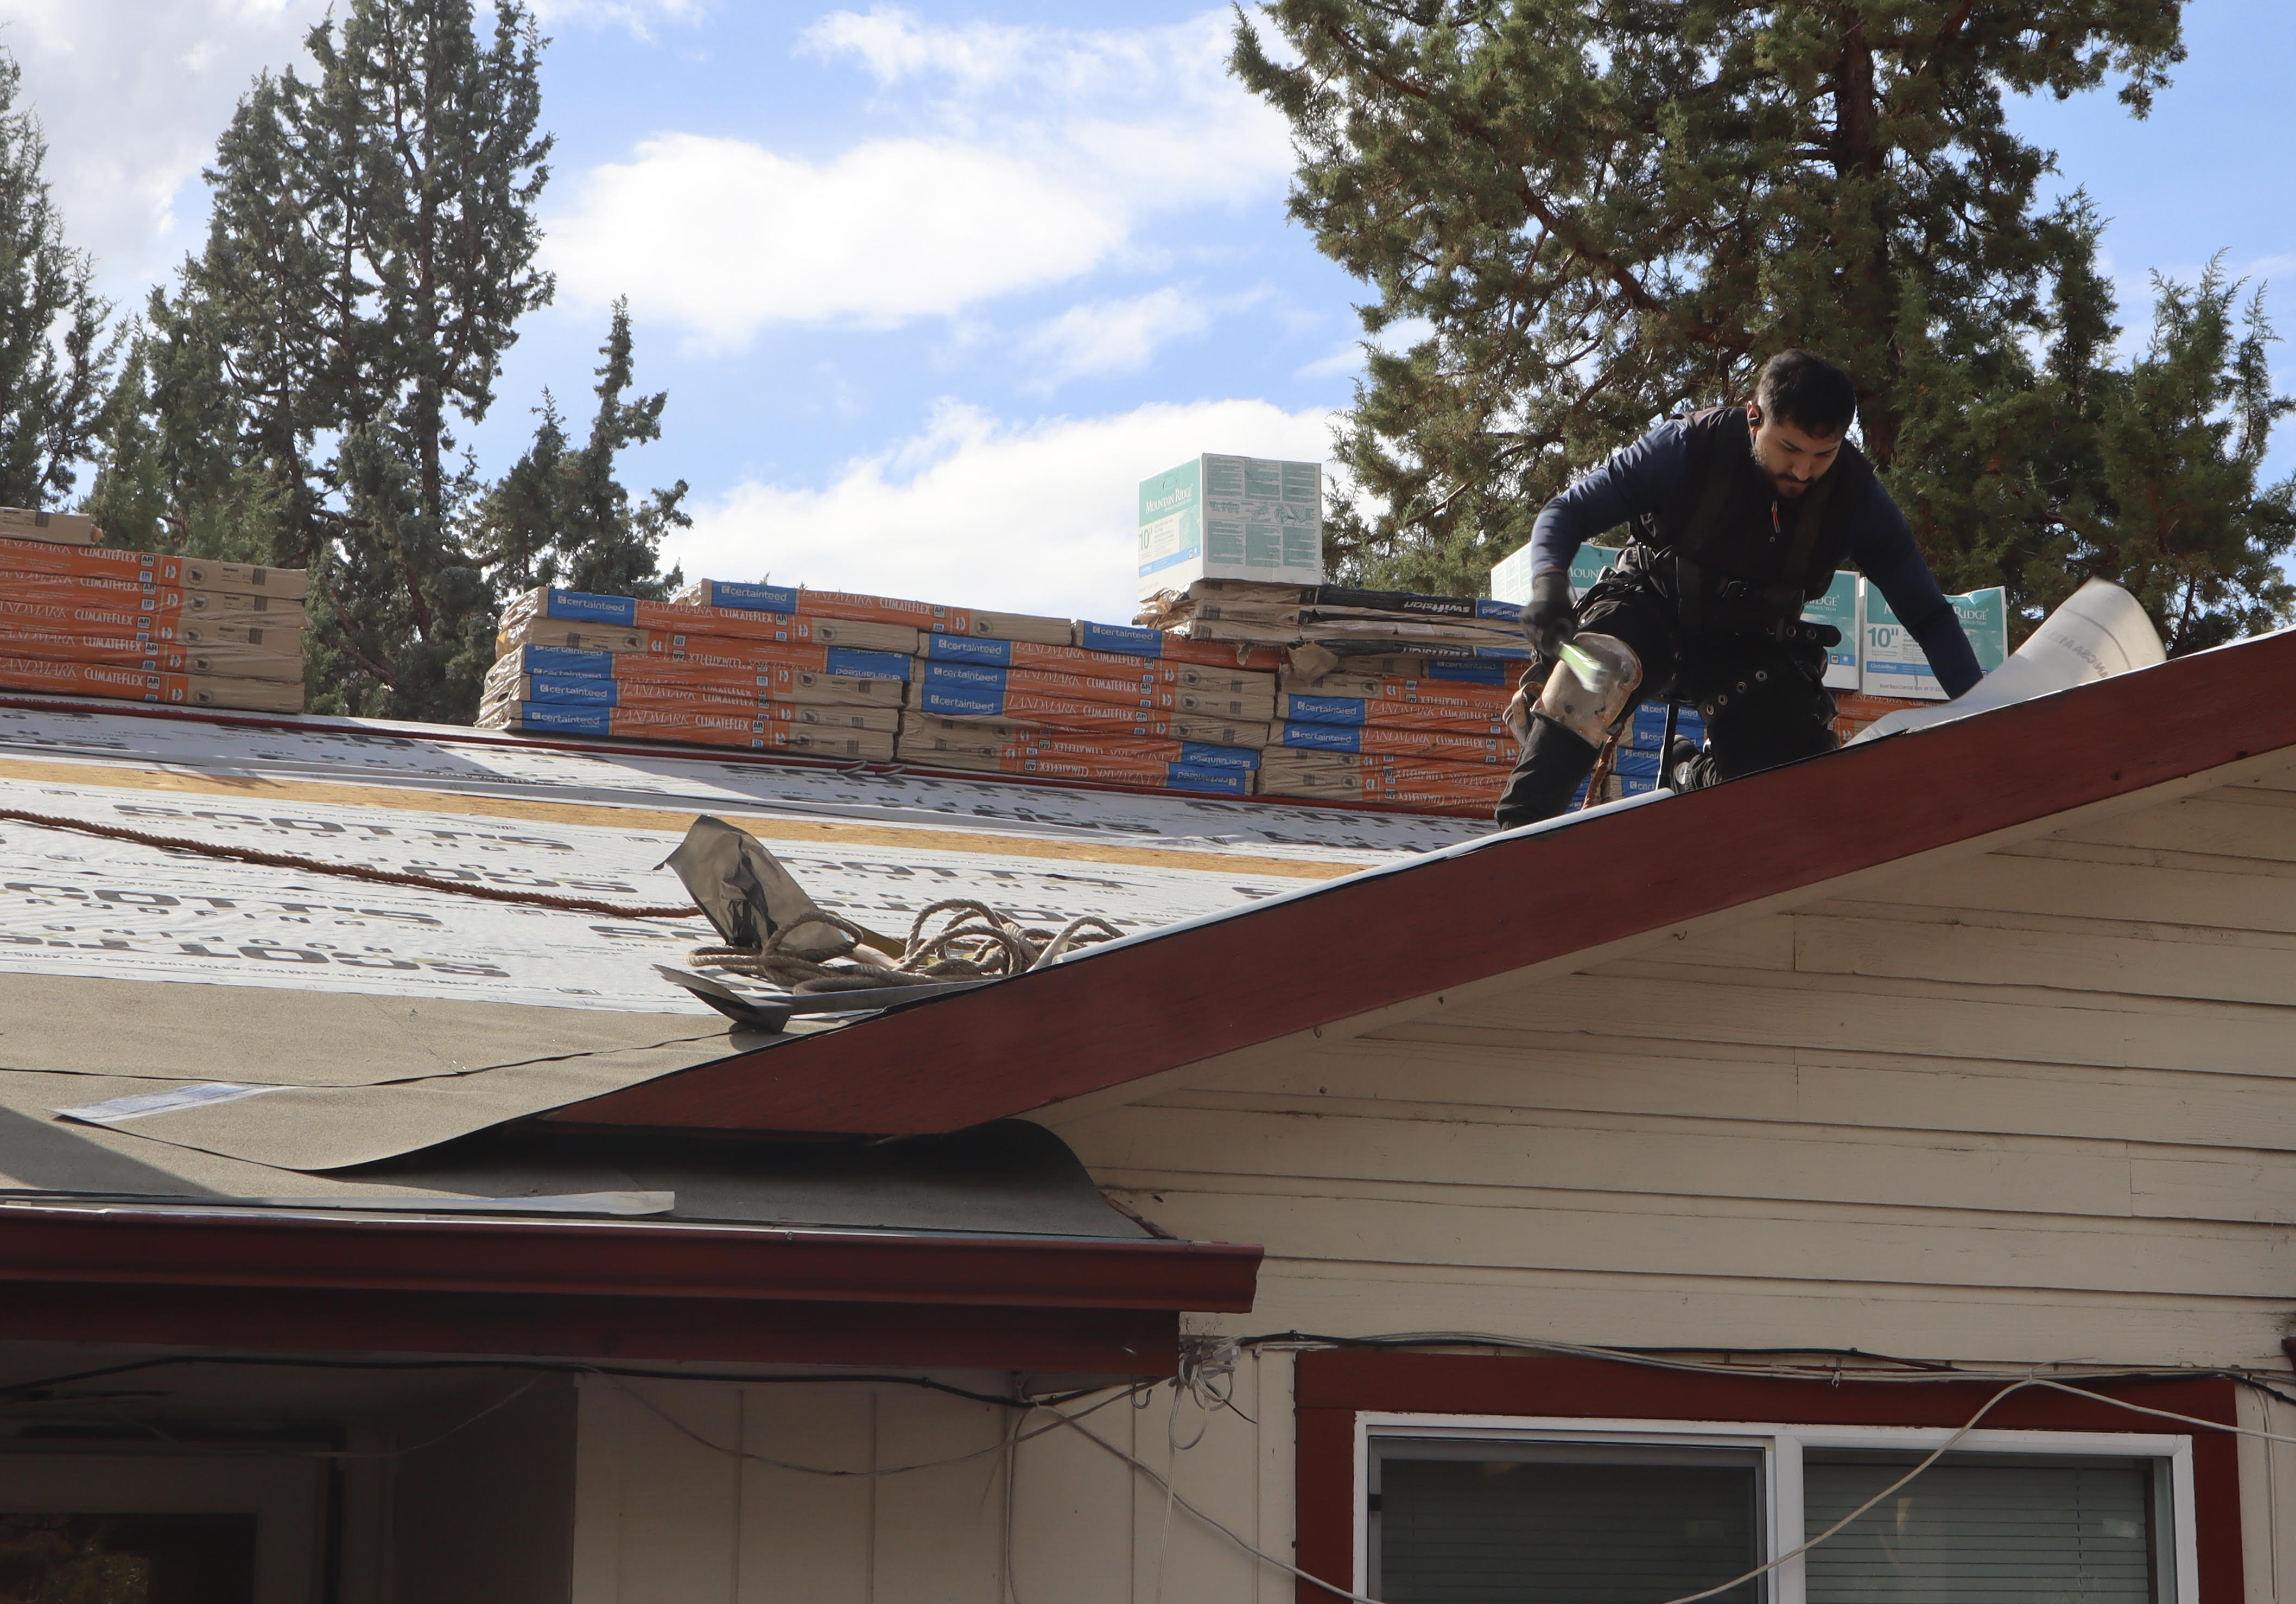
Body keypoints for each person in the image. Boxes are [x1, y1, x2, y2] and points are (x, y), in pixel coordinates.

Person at [1494, 349, 1982, 828]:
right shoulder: (1686, 446)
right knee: (1596, 670)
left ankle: (1692, 773)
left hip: (1751, 641)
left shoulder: (1858, 499)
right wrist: (1548, 585)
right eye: (1789, 449)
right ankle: (1517, 835)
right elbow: (1568, 511)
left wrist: (1986, 711)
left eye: (1824, 455)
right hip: (1650, 608)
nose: (1803, 472)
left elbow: (1928, 616)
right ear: (1754, 418)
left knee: (1798, 776)